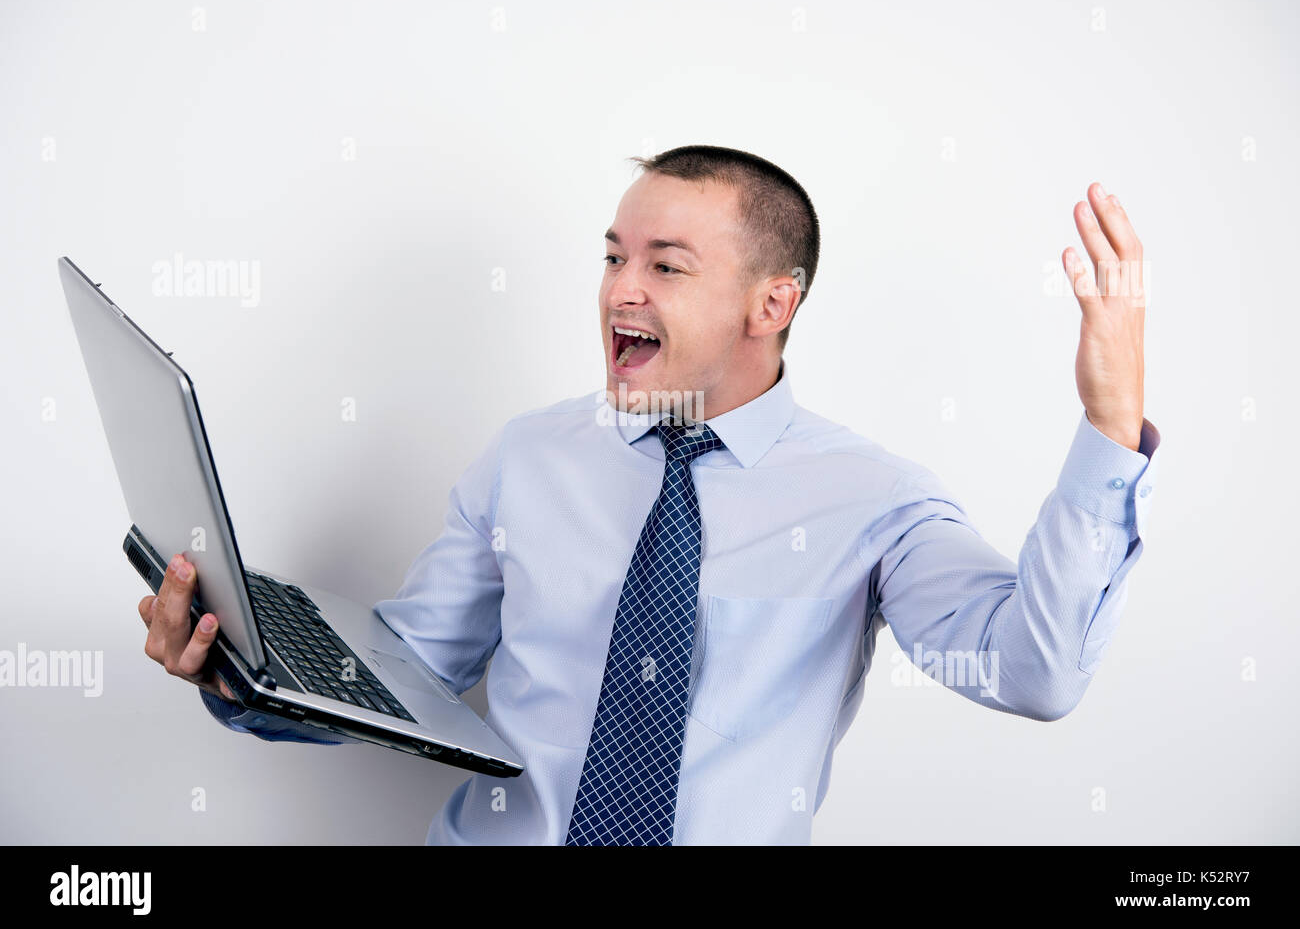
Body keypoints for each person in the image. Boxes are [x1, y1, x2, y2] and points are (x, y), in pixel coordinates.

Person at [137, 145, 1161, 844]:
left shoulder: (874, 499)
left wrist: (1109, 431)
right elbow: (406, 679)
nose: (622, 288)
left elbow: (1034, 674)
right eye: (615, 257)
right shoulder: (528, 458)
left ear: (774, 303)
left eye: (667, 266)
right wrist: (244, 670)